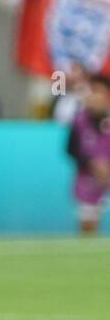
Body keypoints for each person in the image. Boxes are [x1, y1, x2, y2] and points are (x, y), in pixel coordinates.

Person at [67, 74, 110, 234]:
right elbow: (71, 149)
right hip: (87, 178)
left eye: (99, 92)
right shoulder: (79, 121)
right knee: (88, 224)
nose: (94, 96)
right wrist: (91, 164)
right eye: (92, 91)